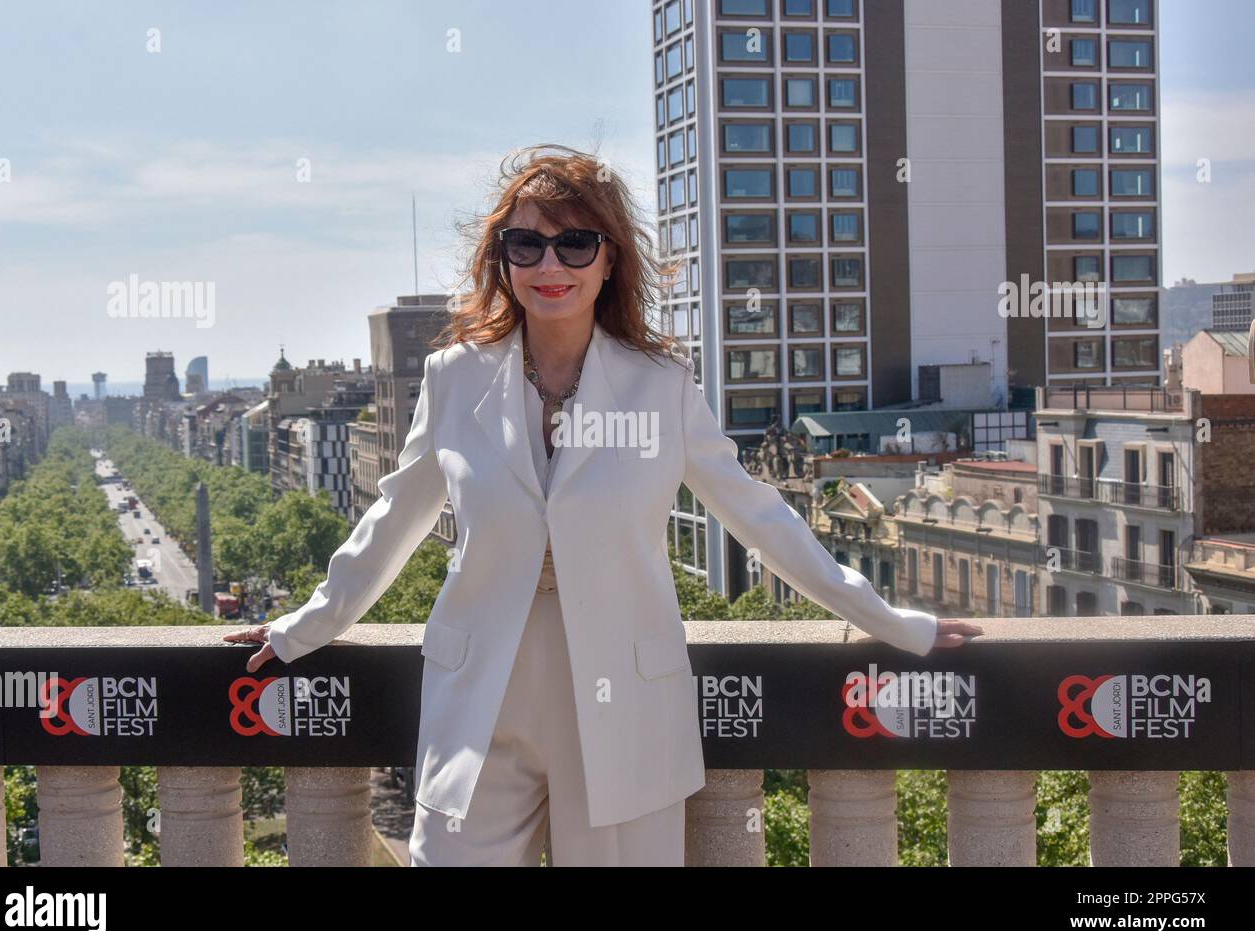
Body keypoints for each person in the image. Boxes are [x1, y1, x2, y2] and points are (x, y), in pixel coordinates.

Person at [224, 143, 983, 866]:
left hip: (625, 709)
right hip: (480, 705)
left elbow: (760, 516)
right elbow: (393, 518)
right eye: (526, 246)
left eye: (575, 244)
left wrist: (890, 621)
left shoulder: (661, 386)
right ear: (504, 261)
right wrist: (306, 625)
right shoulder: (453, 377)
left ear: (610, 257)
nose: (550, 265)